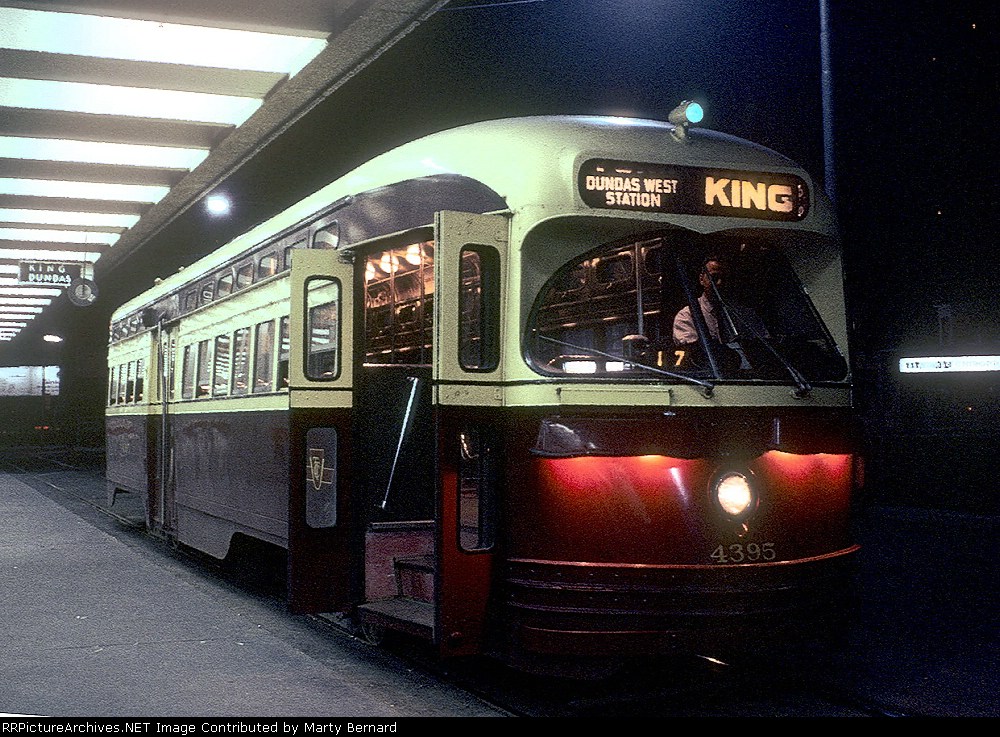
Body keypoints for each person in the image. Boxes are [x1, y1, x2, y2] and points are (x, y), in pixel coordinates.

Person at [673, 256, 769, 348]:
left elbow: (764, 345)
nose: (720, 283)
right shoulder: (687, 316)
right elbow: (694, 354)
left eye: (725, 278)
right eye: (714, 277)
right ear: (701, 279)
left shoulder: (745, 315)